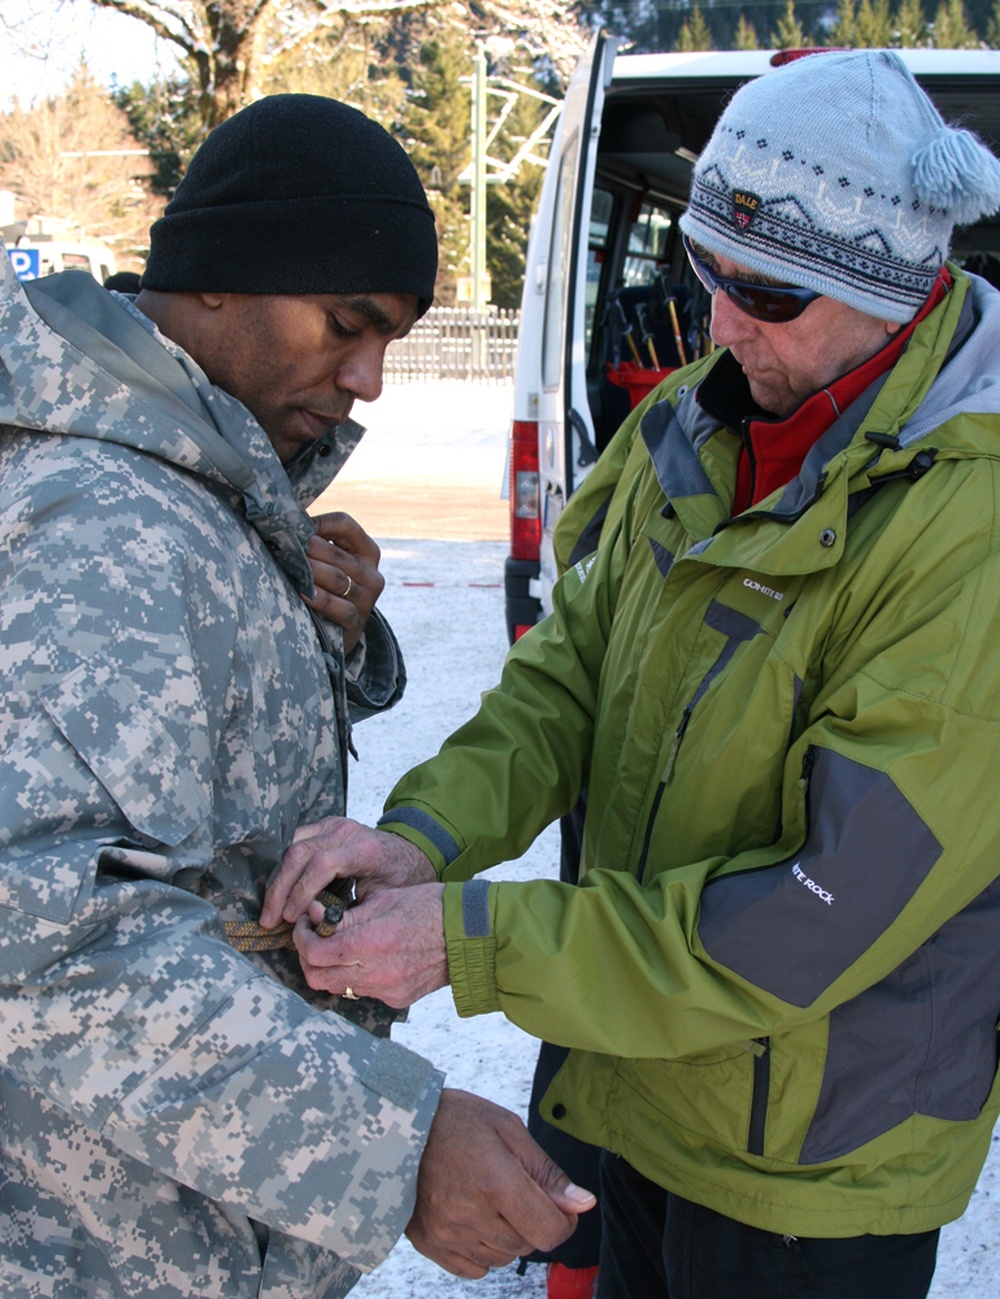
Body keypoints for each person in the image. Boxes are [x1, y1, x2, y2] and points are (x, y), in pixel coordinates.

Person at [262, 50, 1000, 1299]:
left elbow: (816, 917)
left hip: (806, 1172)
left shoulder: (968, 530)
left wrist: (473, 945)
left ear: (897, 293)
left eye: (766, 293)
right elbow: (566, 682)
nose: (719, 324)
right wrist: (427, 840)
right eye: (704, 269)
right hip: (627, 1079)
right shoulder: (696, 424)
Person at [0, 93, 595, 1299]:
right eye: (347, 323)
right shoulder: (110, 522)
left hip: (192, 1211)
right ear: (223, 275)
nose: (369, 379)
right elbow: (52, 945)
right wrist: (395, 1146)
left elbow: (191, 767)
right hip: (107, 1242)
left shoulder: (196, 482)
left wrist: (330, 624)